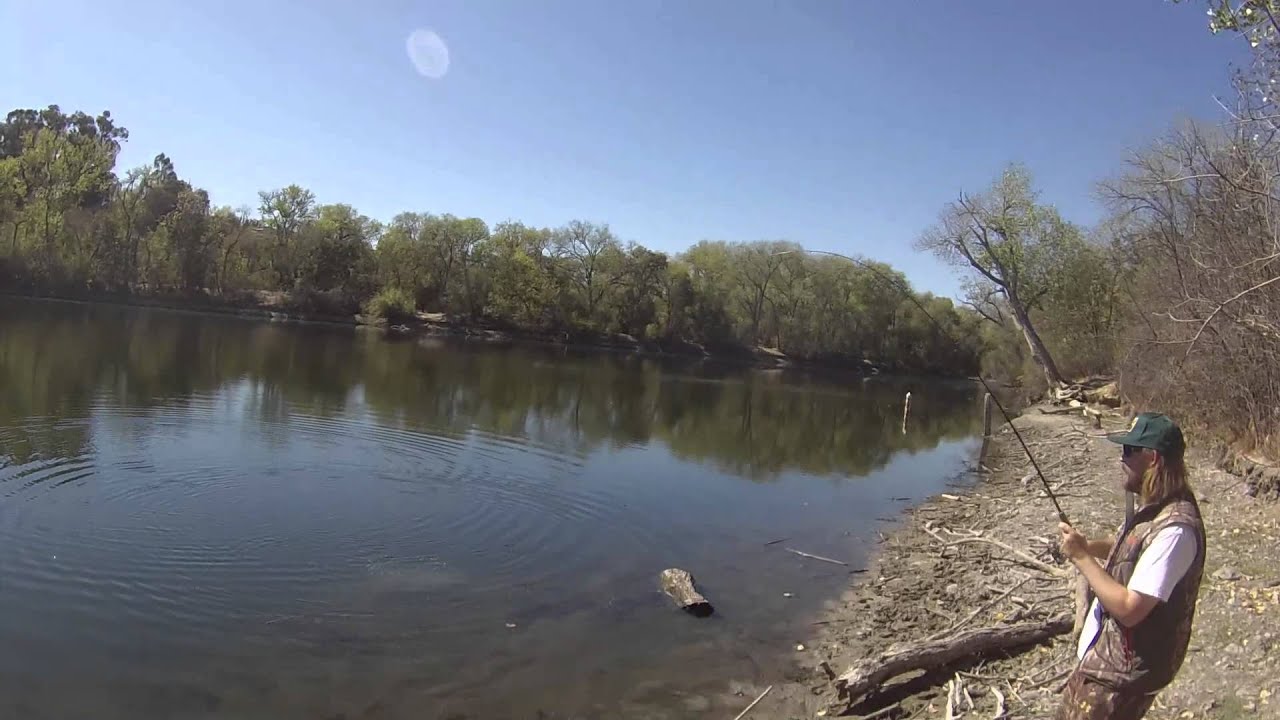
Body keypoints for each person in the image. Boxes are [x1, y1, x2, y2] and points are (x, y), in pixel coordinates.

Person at [1054, 412, 1207, 720]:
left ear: (1151, 458)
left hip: (1118, 681)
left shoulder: (1175, 531)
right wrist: (1089, 547)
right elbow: (1131, 545)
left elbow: (1130, 608)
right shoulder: (1158, 505)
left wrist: (1081, 559)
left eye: (1127, 451)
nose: (1120, 460)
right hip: (1106, 664)